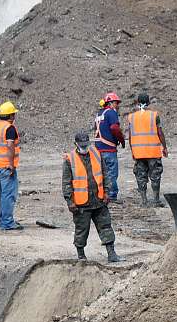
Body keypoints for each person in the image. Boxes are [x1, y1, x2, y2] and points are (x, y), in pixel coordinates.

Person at [63, 130, 123, 263]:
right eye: (82, 145)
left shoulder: (96, 154)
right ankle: (81, 255)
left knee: (106, 226)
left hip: (99, 200)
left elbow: (105, 174)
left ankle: (111, 253)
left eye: (86, 144)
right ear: (76, 144)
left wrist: (107, 192)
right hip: (81, 204)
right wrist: (69, 201)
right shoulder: (69, 159)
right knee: (81, 230)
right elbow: (66, 182)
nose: (85, 147)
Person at [127, 92, 168, 207]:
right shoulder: (154, 115)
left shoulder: (132, 117)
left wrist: (133, 151)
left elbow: (130, 136)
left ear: (137, 102)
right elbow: (160, 132)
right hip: (153, 152)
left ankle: (144, 201)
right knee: (155, 175)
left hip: (139, 153)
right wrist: (164, 147)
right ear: (149, 102)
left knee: (141, 176)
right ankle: (155, 200)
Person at [0, 101, 22, 231]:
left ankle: (4, 220)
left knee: (4, 194)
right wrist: (11, 164)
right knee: (8, 195)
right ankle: (7, 222)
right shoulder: (9, 128)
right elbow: (10, 145)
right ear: (11, 116)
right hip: (7, 167)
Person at [94, 92, 125, 202]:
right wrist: (121, 140)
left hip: (98, 149)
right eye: (116, 103)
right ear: (111, 103)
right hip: (109, 149)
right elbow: (114, 128)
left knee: (102, 173)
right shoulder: (111, 113)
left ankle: (102, 194)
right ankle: (111, 195)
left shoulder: (99, 114)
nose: (118, 106)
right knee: (112, 173)